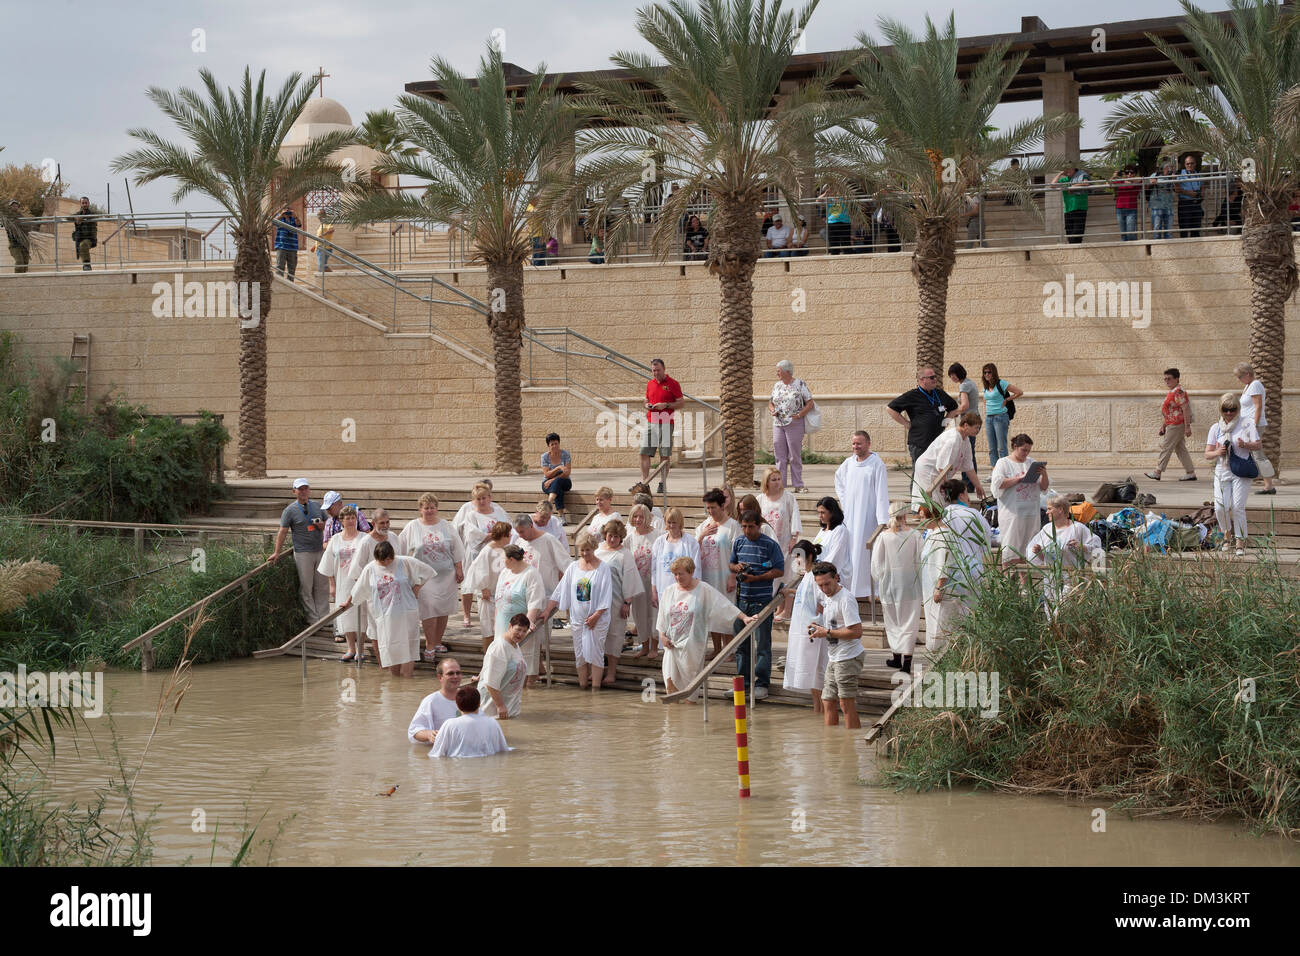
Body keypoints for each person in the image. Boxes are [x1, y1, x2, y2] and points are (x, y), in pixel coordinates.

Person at [658, 557, 753, 700]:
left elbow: (723, 604)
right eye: (675, 574)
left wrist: (744, 617)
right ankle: (673, 720)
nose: (677, 577)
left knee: (690, 690)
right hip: (671, 646)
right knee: (671, 686)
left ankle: (690, 718)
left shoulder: (703, 589)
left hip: (693, 646)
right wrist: (662, 636)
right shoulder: (669, 591)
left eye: (681, 574)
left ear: (691, 572)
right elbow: (662, 617)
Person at [341, 540, 432, 677]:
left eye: (387, 560)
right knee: (390, 648)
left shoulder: (404, 562)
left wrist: (417, 587)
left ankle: (407, 678)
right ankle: (395, 680)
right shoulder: (370, 568)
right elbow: (358, 589)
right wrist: (348, 602)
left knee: (408, 646)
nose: (384, 564)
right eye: (381, 561)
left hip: (406, 612)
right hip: (385, 616)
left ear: (392, 557)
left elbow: (428, 572)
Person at [396, 493, 465, 659]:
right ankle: (429, 644)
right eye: (426, 508)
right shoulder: (412, 527)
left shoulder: (446, 526)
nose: (430, 510)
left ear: (437, 508)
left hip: (446, 574)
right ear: (420, 509)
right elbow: (400, 549)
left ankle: (438, 641)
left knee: (442, 609)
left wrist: (459, 568)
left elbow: (457, 548)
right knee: (429, 608)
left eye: (432, 507)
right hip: (424, 577)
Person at [727, 509, 785, 699]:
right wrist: (737, 568)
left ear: (759, 526)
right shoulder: (739, 542)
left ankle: (761, 683)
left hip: (762, 602)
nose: (747, 530)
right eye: (744, 526)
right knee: (741, 645)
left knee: (762, 644)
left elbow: (779, 570)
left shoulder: (770, 545)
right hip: (741, 601)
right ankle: (742, 683)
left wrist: (757, 577)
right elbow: (731, 564)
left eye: (751, 527)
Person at [545, 531, 612, 688]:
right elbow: (560, 590)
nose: (584, 553)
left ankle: (596, 688)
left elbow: (606, 593)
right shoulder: (573, 567)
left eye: (587, 549)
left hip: (597, 619)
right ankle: (583, 686)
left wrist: (596, 615)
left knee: (596, 653)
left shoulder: (603, 568)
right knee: (580, 654)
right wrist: (548, 610)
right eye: (582, 550)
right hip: (578, 619)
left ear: (593, 548)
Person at [511, 513, 571, 679]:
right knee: (525, 638)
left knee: (537, 637)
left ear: (531, 526)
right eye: (518, 532)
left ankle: (534, 674)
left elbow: (567, 565)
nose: (520, 535)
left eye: (522, 531)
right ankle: (534, 671)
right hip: (522, 596)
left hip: (545, 596)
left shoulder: (549, 540)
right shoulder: (519, 542)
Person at [806, 561, 864, 728]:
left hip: (849, 656)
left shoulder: (846, 599)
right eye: (820, 585)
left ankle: (851, 741)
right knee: (827, 701)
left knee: (846, 703)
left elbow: (857, 631)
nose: (824, 589)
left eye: (827, 584)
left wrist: (827, 633)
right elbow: (835, 623)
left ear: (837, 578)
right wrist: (820, 629)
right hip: (834, 657)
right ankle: (831, 744)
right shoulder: (827, 596)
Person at [833, 431, 890, 600]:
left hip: (868, 516)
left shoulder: (876, 464)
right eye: (853, 444)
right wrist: (845, 501)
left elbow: (881, 492)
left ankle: (869, 589)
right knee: (851, 552)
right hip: (851, 515)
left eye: (859, 443)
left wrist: (882, 520)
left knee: (865, 553)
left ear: (868, 444)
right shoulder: (848, 463)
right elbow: (839, 481)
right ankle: (852, 588)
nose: (856, 447)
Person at [1206, 393, 1262, 555]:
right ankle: (1226, 533)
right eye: (1225, 410)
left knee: (1238, 507)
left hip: (1241, 472)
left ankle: (1240, 540)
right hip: (1222, 471)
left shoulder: (1247, 424)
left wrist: (1246, 444)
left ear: (1238, 409)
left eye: (1233, 409)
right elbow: (1207, 453)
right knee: (1220, 507)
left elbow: (1258, 445)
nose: (1229, 413)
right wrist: (1218, 451)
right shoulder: (1216, 428)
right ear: (1220, 409)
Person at [871, 506, 923, 674]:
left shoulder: (884, 537)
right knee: (909, 621)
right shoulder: (915, 535)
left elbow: (877, 564)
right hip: (911, 584)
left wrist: (879, 578)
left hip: (889, 584)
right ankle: (907, 660)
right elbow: (921, 560)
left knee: (893, 621)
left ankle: (896, 656)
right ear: (905, 515)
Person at [269, 478, 329, 622]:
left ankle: (325, 618)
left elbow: (328, 522)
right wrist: (277, 552)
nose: (303, 491)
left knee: (322, 585)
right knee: (306, 587)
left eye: (305, 488)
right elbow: (282, 531)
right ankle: (313, 620)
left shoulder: (317, 506)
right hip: (303, 552)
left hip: (320, 550)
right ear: (294, 491)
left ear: (309, 490)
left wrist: (323, 526)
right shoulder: (289, 510)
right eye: (300, 489)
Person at [1029, 494, 1104, 607]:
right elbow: (1045, 559)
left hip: (1071, 578)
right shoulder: (1047, 529)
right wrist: (1038, 552)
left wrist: (1082, 546)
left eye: (1050, 509)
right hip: (1051, 580)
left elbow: (1097, 547)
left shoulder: (1077, 528)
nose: (1046, 512)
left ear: (1060, 509)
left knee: (1063, 609)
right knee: (1050, 612)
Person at [780, 540, 828, 710]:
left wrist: (817, 619)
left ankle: (821, 709)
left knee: (817, 669)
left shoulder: (816, 574)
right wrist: (791, 592)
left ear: (809, 556)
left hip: (813, 629)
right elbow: (807, 596)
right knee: (811, 671)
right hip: (802, 629)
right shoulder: (807, 575)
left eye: (799, 556)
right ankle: (817, 709)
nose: (797, 560)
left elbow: (824, 599)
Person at [455, 482, 510, 627]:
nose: (481, 501)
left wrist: (498, 536)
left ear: (489, 497)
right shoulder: (471, 515)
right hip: (477, 553)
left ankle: (499, 613)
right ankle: (467, 615)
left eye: (484, 498)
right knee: (469, 583)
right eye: (478, 499)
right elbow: (472, 534)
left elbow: (507, 527)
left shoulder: (498, 511)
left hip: (498, 553)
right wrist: (493, 535)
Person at [595, 520, 644, 682]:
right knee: (597, 636)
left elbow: (630, 579)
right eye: (610, 535)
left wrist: (627, 602)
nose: (613, 539)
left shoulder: (624, 554)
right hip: (597, 601)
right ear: (605, 535)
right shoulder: (597, 551)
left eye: (616, 536)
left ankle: (611, 672)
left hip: (616, 602)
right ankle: (596, 670)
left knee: (615, 635)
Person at [354, 507, 403, 663]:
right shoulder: (366, 542)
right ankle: (383, 663)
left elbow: (401, 561)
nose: (386, 525)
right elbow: (357, 569)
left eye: (388, 522)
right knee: (375, 629)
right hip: (375, 592)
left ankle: (395, 660)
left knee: (394, 627)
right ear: (373, 523)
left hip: (395, 591)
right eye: (382, 522)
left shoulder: (394, 537)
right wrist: (367, 590)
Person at [317, 506, 367, 661]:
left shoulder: (364, 538)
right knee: (345, 614)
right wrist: (332, 584)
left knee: (361, 614)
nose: (351, 521)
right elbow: (329, 563)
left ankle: (361, 648)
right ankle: (350, 648)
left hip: (360, 582)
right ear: (341, 521)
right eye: (348, 518)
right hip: (342, 582)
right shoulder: (336, 539)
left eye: (353, 518)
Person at [695, 489, 740, 659]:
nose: (711, 511)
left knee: (725, 611)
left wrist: (733, 576)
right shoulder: (704, 525)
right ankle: (716, 648)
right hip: (707, 577)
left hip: (724, 576)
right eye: (708, 508)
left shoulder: (733, 526)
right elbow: (693, 549)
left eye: (713, 507)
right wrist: (702, 536)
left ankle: (729, 650)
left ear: (722, 505)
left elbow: (737, 553)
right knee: (711, 613)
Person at [991, 433, 1048, 566]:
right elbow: (997, 484)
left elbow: (1044, 487)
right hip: (1013, 514)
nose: (1026, 453)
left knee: (1027, 549)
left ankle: (1024, 582)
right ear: (1015, 447)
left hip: (1031, 513)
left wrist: (1044, 473)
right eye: (1023, 450)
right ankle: (1007, 578)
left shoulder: (1031, 462)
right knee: (1011, 547)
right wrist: (1018, 479)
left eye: (1028, 451)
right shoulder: (1003, 463)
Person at [911, 413, 985, 508]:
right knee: (936, 500)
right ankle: (926, 516)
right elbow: (942, 466)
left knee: (942, 500)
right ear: (966, 425)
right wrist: (948, 487)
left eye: (979, 428)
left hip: (940, 471)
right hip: (928, 469)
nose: (978, 431)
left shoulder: (966, 440)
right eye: (976, 427)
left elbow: (969, 467)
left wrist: (978, 485)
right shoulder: (953, 439)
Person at [937, 478, 993, 605]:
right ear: (961, 495)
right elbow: (986, 539)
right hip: (973, 568)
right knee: (972, 611)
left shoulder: (941, 516)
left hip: (949, 574)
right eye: (967, 493)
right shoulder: (973, 514)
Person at [887, 368, 958, 465]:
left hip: (938, 442)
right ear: (922, 379)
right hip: (920, 443)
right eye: (932, 377)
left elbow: (954, 408)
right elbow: (890, 409)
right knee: (919, 475)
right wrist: (906, 423)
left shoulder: (940, 393)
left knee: (937, 474)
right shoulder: (912, 395)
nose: (935, 379)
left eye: (935, 377)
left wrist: (946, 421)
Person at [758, 467, 802, 622]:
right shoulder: (760, 499)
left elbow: (794, 517)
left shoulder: (788, 497)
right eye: (773, 479)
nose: (777, 482)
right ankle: (777, 607)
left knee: (788, 576)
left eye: (779, 479)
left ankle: (787, 610)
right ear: (767, 482)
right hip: (767, 546)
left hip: (785, 544)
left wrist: (793, 538)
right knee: (773, 577)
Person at [918, 504, 959, 654]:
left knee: (940, 622)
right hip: (929, 584)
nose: (920, 520)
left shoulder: (943, 535)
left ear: (933, 516)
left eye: (923, 517)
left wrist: (939, 588)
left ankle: (941, 653)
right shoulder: (933, 533)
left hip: (940, 587)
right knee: (933, 619)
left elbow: (944, 563)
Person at [465, 522, 512, 650]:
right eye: (509, 534)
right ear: (503, 536)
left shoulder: (505, 549)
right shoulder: (487, 550)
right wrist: (483, 587)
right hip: (487, 596)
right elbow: (476, 570)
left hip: (501, 595)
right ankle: (488, 658)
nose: (511, 536)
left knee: (501, 629)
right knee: (488, 630)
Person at [1145, 368, 1198, 483]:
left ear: (1177, 379)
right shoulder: (1173, 391)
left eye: (1169, 378)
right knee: (1180, 449)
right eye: (1165, 379)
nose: (1167, 381)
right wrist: (1163, 425)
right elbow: (1170, 411)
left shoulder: (1179, 391)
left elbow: (1185, 408)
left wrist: (1187, 426)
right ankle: (1190, 473)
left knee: (1166, 447)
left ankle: (1157, 472)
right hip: (1172, 423)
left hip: (1177, 424)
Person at [769, 360, 815, 491]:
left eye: (779, 371)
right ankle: (779, 486)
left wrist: (799, 415)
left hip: (795, 423)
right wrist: (772, 410)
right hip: (778, 423)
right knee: (779, 456)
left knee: (794, 456)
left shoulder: (799, 384)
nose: (777, 373)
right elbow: (770, 402)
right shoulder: (777, 385)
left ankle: (798, 485)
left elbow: (810, 403)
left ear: (786, 371)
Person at [639, 359, 684, 492]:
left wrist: (666, 405)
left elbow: (681, 403)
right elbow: (646, 400)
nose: (656, 373)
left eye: (658, 370)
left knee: (664, 455)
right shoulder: (650, 384)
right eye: (653, 370)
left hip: (665, 422)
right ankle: (645, 483)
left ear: (664, 369)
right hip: (651, 421)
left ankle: (662, 483)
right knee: (644, 452)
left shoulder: (673, 384)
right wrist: (646, 405)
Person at [429, 687, 509, 758]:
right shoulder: (492, 723)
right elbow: (502, 750)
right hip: (485, 769)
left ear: (457, 704)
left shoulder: (449, 724)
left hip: (458, 768)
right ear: (479, 704)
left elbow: (437, 754)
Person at [626, 504, 662, 658]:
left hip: (654, 583)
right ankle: (644, 646)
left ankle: (654, 646)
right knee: (640, 615)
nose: (638, 519)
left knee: (654, 613)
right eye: (635, 516)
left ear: (647, 517)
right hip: (637, 583)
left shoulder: (658, 536)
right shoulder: (629, 537)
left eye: (641, 516)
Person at [479, 613, 531, 719]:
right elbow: (490, 681)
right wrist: (500, 705)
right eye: (518, 629)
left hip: (510, 705)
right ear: (510, 626)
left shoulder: (515, 644)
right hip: (494, 708)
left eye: (524, 631)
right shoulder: (500, 647)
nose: (520, 634)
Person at [650, 507, 701, 608]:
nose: (672, 525)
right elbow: (654, 570)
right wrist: (654, 592)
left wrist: (694, 591)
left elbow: (697, 569)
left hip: (686, 591)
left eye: (674, 522)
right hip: (663, 590)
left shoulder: (691, 542)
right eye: (669, 522)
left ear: (680, 522)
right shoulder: (659, 542)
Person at [1235, 362, 1275, 493]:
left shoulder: (1255, 385)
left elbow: (1258, 407)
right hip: (1248, 424)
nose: (1239, 380)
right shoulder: (1249, 386)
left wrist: (1254, 426)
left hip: (1253, 424)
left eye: (1240, 377)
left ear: (1247, 374)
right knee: (1249, 452)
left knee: (1258, 454)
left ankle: (1269, 486)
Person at [408, 658, 464, 743]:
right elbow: (414, 730)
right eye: (450, 673)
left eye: (458, 673)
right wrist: (429, 734)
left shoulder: (468, 696)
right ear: (440, 677)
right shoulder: (431, 701)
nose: (455, 676)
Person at [979, 362, 1022, 466]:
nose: (987, 375)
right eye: (985, 373)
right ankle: (995, 472)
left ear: (994, 373)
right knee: (991, 448)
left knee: (1001, 447)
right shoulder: (985, 386)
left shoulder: (1001, 383)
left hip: (1000, 418)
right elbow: (985, 399)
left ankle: (1005, 470)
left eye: (989, 372)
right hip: (989, 419)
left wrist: (1007, 399)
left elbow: (1019, 392)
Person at [948, 363, 981, 492]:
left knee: (966, 453)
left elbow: (965, 405)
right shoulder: (970, 383)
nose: (952, 378)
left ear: (958, 373)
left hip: (969, 421)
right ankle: (970, 484)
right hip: (974, 420)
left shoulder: (964, 385)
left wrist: (951, 415)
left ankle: (968, 484)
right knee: (969, 451)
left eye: (953, 375)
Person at [812, 496, 852, 587]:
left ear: (832, 513)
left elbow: (835, 556)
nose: (820, 516)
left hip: (833, 575)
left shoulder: (840, 530)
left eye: (823, 513)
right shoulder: (822, 530)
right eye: (818, 513)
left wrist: (818, 570)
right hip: (819, 572)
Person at [540, 432, 573, 516]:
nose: (554, 446)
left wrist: (552, 480)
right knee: (558, 490)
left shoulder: (565, 454)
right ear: (548, 446)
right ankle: (561, 516)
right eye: (552, 444)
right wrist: (558, 468)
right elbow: (547, 474)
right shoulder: (544, 457)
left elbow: (567, 473)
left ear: (559, 443)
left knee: (557, 482)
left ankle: (548, 504)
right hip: (547, 484)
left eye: (556, 443)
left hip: (565, 482)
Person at [1056, 164, 1090, 244]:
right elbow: (1052, 185)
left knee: (1077, 233)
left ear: (1074, 169)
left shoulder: (1082, 175)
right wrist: (1060, 174)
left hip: (1080, 208)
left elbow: (1086, 183)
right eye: (1066, 169)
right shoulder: (1065, 180)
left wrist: (1074, 185)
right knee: (1069, 234)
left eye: (1069, 169)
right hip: (1068, 210)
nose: (1067, 171)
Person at [1147, 159, 1177, 239]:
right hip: (1157, 206)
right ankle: (1157, 247)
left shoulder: (1172, 177)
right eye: (1168, 167)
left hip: (1169, 206)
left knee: (1169, 230)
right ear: (1163, 168)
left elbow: (1177, 189)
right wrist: (1152, 181)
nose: (1170, 169)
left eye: (1171, 167)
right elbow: (1147, 183)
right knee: (1157, 229)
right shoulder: (1155, 175)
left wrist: (1175, 180)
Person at [1177, 154, 1204, 238]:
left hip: (1196, 204)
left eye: (1192, 163)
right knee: (1184, 229)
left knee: (1196, 230)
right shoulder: (1180, 174)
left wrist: (1201, 194)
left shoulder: (1198, 174)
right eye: (1188, 164)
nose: (1190, 165)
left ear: (1195, 164)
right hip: (1185, 204)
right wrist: (1191, 193)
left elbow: (1202, 186)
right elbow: (1177, 189)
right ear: (1184, 165)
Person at [1113, 166, 1141, 240]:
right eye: (1126, 172)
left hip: (1131, 209)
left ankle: (1134, 249)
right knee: (1123, 234)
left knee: (1130, 232)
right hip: (1119, 208)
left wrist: (1129, 181)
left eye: (1131, 172)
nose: (1129, 174)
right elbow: (1107, 184)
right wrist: (1114, 176)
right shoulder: (1120, 181)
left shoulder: (1137, 180)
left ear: (1135, 173)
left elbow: (1140, 180)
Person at [820, 189, 852, 254]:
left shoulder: (844, 198)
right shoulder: (829, 199)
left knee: (846, 243)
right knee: (833, 244)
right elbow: (818, 200)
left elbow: (852, 198)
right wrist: (825, 194)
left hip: (845, 223)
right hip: (832, 223)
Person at [273, 205, 301, 280]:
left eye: (288, 210)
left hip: (292, 247)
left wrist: (296, 217)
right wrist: (281, 215)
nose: (287, 212)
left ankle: (290, 285)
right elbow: (273, 222)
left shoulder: (293, 218)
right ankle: (280, 285)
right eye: (285, 210)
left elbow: (299, 224)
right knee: (279, 267)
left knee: (292, 268)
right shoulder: (280, 218)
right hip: (281, 246)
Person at [71, 196, 97, 271]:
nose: (84, 204)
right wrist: (75, 218)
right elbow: (68, 217)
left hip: (90, 239)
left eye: (86, 203)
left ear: (88, 204)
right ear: (80, 204)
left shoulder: (92, 213)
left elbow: (98, 215)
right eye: (83, 203)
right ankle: (86, 265)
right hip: (80, 238)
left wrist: (82, 218)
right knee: (81, 245)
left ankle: (87, 265)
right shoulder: (78, 213)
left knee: (83, 245)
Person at [5, 200, 30, 274]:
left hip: (23, 243)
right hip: (14, 245)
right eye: (13, 205)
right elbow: (9, 228)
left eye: (16, 205)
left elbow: (26, 228)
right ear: (10, 207)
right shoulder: (8, 216)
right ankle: (17, 278)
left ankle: (23, 278)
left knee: (25, 262)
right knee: (19, 262)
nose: (15, 207)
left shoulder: (21, 216)